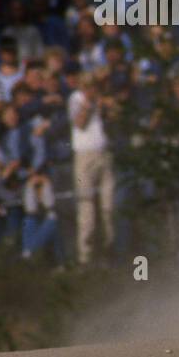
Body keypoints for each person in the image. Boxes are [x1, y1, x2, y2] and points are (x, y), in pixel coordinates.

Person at [68, 75, 116, 265]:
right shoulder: (75, 99)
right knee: (86, 206)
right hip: (84, 156)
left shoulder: (101, 100)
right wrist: (89, 104)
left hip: (103, 153)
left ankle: (110, 250)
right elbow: (79, 123)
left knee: (108, 206)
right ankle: (85, 257)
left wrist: (107, 107)